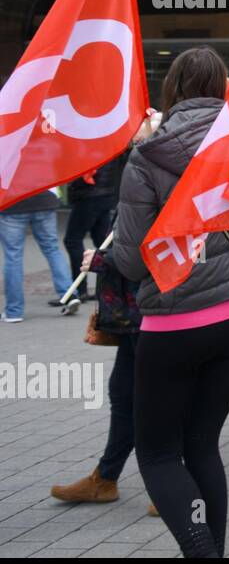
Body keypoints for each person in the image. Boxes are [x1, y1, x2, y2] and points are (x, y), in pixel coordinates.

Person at [111, 47, 229, 558]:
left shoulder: (146, 156)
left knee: (157, 454)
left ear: (170, 88)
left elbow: (128, 263)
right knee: (202, 444)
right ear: (224, 87)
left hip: (171, 325)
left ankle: (202, 552)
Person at [50, 116, 158, 513]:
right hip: (132, 314)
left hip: (153, 311)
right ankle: (106, 477)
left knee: (153, 399)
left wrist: (103, 260)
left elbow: (146, 251)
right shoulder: (137, 162)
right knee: (123, 393)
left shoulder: (152, 168)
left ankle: (170, 482)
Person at [2, 187, 80, 322]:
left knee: (13, 256)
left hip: (12, 204)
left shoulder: (6, 164)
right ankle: (69, 295)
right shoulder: (40, 163)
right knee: (52, 249)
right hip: (44, 200)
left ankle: (14, 311)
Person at [62, 151, 126, 302]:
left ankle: (81, 289)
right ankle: (112, 287)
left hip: (88, 196)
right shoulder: (107, 137)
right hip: (105, 194)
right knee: (102, 243)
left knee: (73, 240)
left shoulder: (87, 141)